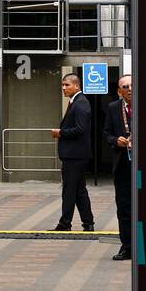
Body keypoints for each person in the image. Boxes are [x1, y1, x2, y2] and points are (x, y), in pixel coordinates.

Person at [51, 73, 94, 232]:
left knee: (69, 191)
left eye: (67, 85)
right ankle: (88, 222)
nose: (63, 88)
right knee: (78, 190)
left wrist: (60, 133)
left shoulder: (80, 103)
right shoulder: (75, 102)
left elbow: (80, 129)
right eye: (62, 85)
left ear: (77, 86)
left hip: (75, 155)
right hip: (76, 155)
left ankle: (65, 223)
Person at [103, 74, 134, 260]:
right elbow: (106, 133)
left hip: (144, 164)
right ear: (119, 91)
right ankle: (127, 246)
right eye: (125, 86)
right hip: (123, 163)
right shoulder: (113, 108)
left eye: (132, 85)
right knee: (124, 207)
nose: (129, 89)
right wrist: (116, 140)